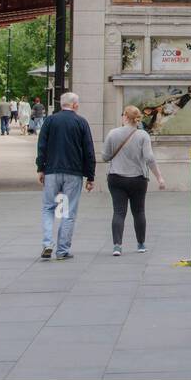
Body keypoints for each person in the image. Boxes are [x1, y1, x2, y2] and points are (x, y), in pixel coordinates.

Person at [36, 92, 96, 259]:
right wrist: (90, 176)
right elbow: (89, 151)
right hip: (73, 172)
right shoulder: (81, 122)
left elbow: (42, 146)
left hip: (52, 171)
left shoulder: (50, 121)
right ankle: (62, 250)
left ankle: (47, 243)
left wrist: (40, 168)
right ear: (75, 105)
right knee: (68, 211)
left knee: (48, 207)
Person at [102, 105, 166, 256]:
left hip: (116, 178)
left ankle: (117, 246)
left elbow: (104, 157)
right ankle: (141, 244)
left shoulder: (113, 133)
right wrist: (159, 177)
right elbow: (149, 158)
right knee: (139, 211)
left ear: (125, 116)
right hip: (138, 179)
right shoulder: (143, 135)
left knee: (118, 211)